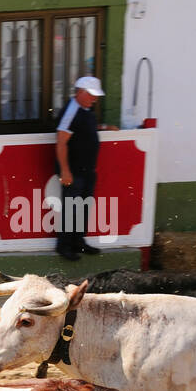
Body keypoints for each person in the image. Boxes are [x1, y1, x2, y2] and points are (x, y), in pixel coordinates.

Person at [54, 75, 117, 262]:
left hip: (87, 169)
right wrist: (65, 171)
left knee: (83, 206)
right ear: (80, 92)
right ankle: (64, 246)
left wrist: (104, 127)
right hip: (74, 170)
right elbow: (61, 142)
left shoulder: (85, 109)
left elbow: (85, 128)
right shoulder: (71, 111)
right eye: (91, 95)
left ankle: (78, 241)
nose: (95, 99)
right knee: (71, 208)